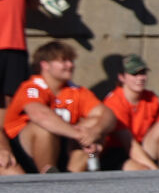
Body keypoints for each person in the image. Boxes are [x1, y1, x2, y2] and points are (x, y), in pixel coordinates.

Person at [2, 40, 112, 173]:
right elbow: (40, 115)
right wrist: (79, 135)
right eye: (64, 61)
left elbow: (107, 114)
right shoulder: (31, 87)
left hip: (63, 149)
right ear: (45, 65)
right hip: (22, 152)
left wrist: (95, 131)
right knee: (43, 129)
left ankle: (72, 177)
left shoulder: (76, 91)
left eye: (71, 61)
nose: (70, 65)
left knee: (94, 124)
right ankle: (48, 176)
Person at [102, 54, 159, 170]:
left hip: (143, 146)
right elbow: (128, 143)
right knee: (143, 172)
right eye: (134, 74)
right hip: (118, 153)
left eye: (143, 73)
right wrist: (153, 169)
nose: (140, 78)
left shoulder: (151, 97)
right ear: (122, 77)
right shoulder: (114, 102)